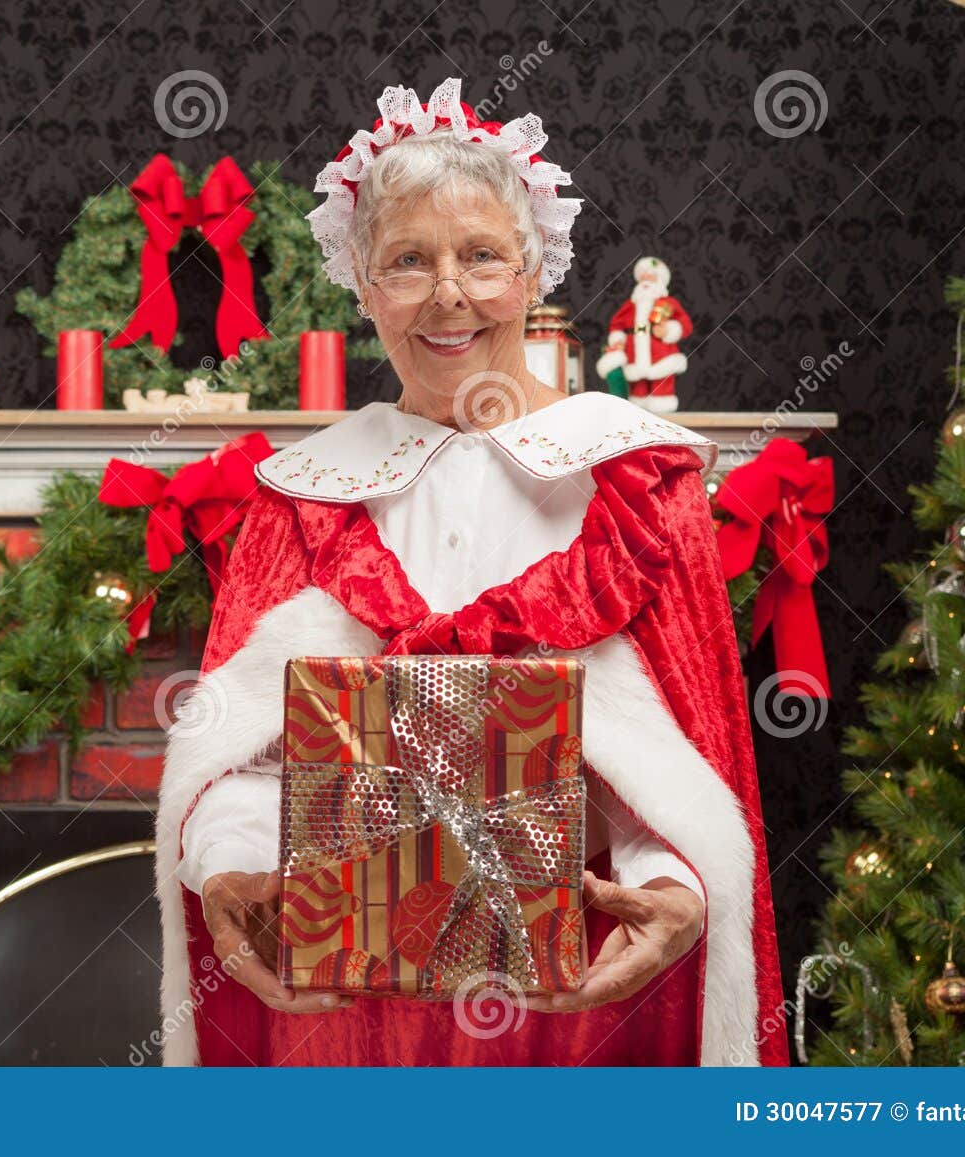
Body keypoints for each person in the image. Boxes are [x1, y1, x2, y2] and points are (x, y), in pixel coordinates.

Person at [153, 77, 787, 1066]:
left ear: (532, 272)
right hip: (350, 1011)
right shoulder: (304, 495)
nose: (449, 293)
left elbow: (693, 761)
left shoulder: (636, 484)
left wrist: (672, 885)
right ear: (363, 286)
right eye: (408, 261)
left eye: (482, 255)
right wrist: (231, 863)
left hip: (580, 997)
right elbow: (244, 762)